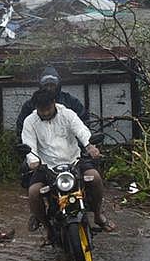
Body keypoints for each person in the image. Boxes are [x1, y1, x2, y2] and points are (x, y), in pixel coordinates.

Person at [21, 89, 115, 234]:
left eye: (48, 109)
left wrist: (89, 146)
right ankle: (47, 228)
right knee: (33, 192)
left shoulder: (67, 114)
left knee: (95, 178)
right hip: (46, 166)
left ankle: (97, 215)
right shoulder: (30, 122)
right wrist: (33, 161)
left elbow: (81, 130)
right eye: (42, 110)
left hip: (74, 161)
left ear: (54, 103)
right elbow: (29, 144)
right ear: (36, 108)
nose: (45, 113)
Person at [15, 65, 88, 137]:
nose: (49, 88)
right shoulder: (31, 104)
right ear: (41, 86)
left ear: (58, 85)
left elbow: (83, 124)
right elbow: (21, 128)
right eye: (46, 85)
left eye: (52, 85)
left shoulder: (71, 101)